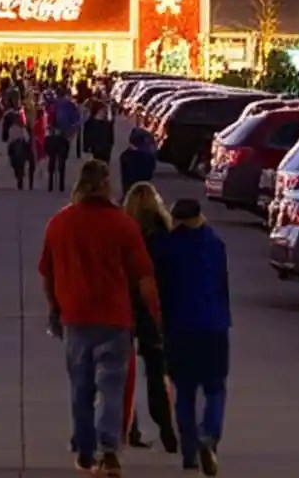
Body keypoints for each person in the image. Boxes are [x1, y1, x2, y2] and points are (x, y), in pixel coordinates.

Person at [39, 160, 162, 477]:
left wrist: (55, 306)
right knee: (111, 386)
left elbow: (47, 273)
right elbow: (144, 276)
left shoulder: (59, 223)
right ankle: (109, 449)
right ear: (107, 185)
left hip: (76, 316)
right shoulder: (122, 224)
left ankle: (84, 449)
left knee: (81, 387)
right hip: (114, 318)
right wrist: (157, 315)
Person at [155, 199, 231, 476]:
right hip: (213, 325)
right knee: (215, 388)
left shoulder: (167, 248)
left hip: (179, 328)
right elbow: (222, 285)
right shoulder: (215, 245)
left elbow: (161, 288)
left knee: (184, 392)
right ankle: (209, 436)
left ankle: (189, 452)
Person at [121, 182, 178, 453]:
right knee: (157, 372)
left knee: (122, 373)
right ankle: (166, 428)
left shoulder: (124, 234)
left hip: (124, 308)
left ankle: (128, 426)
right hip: (155, 309)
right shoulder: (165, 237)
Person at [118, 128, 158, 198]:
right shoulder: (148, 158)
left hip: (129, 194)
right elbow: (149, 174)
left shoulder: (125, 156)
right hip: (142, 194)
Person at [7, 121, 35, 189]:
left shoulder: (15, 128)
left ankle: (22, 179)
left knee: (18, 161)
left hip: (21, 145)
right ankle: (25, 180)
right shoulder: (16, 128)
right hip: (22, 145)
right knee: (27, 162)